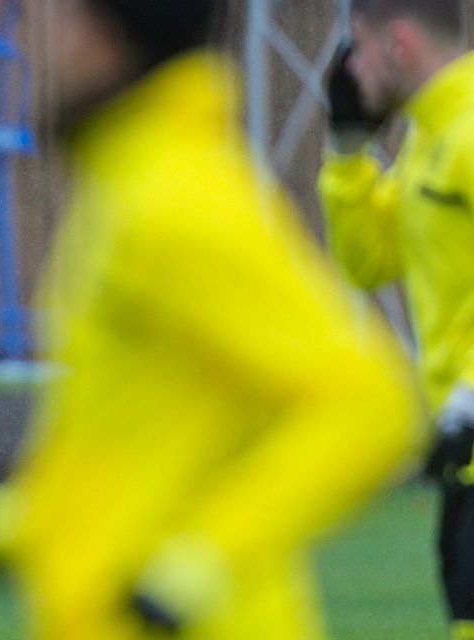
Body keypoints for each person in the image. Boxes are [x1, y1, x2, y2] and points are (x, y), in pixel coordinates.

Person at [0, 0, 423, 637]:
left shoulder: (179, 201)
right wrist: (22, 519)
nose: (37, 33)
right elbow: (131, 419)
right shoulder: (128, 184)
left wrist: (203, 556)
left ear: (105, 36)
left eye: (58, 14)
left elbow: (370, 404)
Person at [318, 1, 474, 635]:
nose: (350, 68)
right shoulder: (431, 133)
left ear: (399, 44)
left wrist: (470, 397)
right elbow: (371, 261)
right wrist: (348, 151)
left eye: (357, 47)